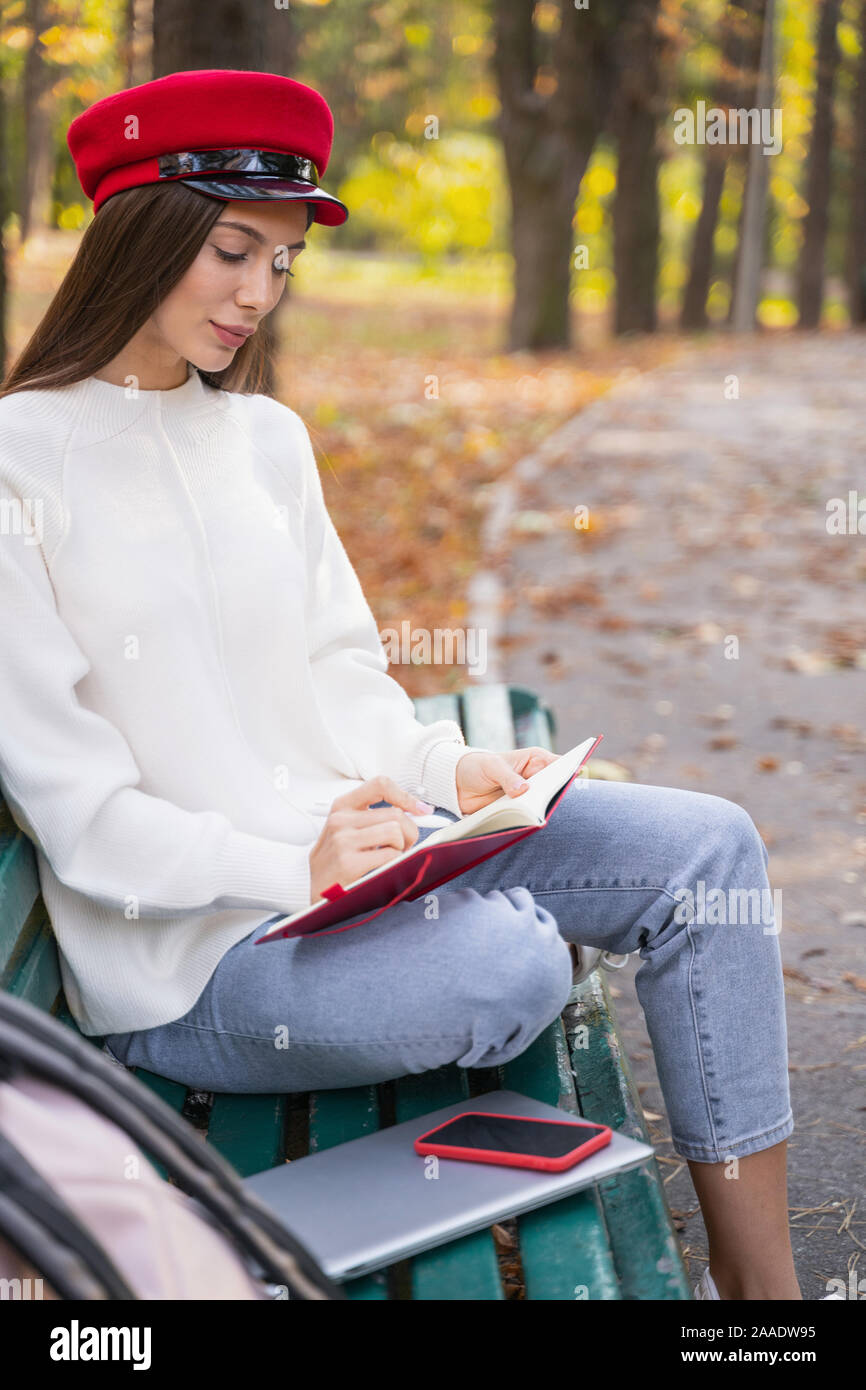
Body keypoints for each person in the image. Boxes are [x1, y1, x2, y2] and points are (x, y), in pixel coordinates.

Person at [0, 70, 829, 1302]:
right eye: (232, 250)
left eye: (279, 263)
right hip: (202, 959)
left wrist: (453, 773)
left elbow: (340, 669)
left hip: (374, 857)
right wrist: (300, 866)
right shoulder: (20, 463)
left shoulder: (264, 440)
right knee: (503, 966)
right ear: (142, 228)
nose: (255, 295)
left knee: (706, 848)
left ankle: (760, 1304)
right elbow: (82, 818)